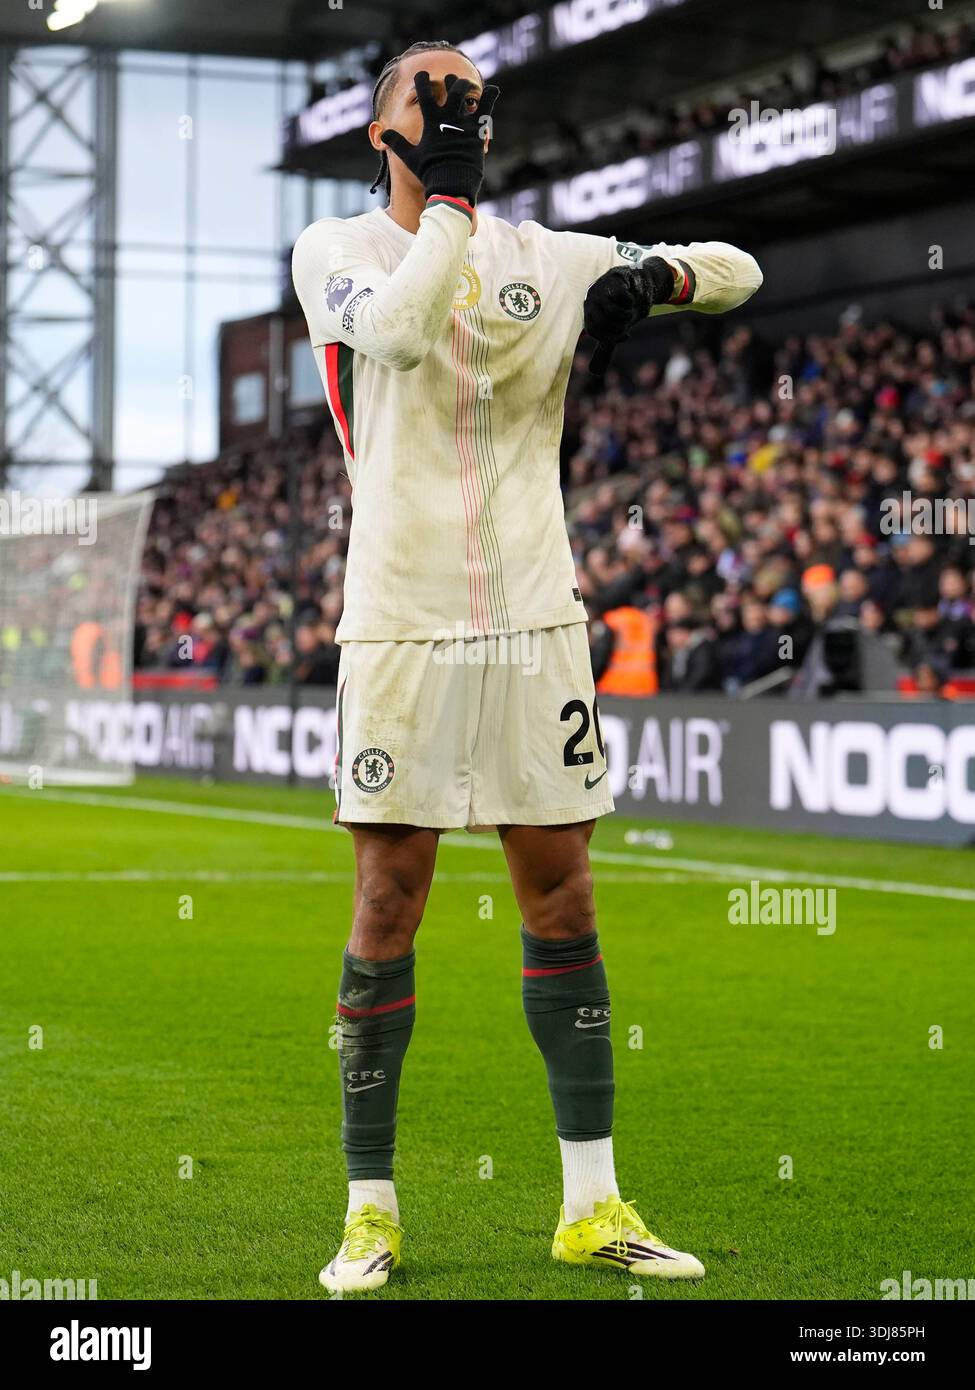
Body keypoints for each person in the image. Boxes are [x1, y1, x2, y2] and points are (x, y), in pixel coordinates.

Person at [292, 37, 763, 1293]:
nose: (457, 104)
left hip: (539, 629)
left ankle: (591, 1203)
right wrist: (444, 202)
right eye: (429, 90)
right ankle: (370, 1209)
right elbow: (391, 336)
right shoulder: (335, 253)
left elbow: (741, 269)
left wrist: (651, 277)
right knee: (387, 907)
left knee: (565, 903)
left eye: (471, 96)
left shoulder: (541, 257)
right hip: (397, 625)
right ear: (381, 127)